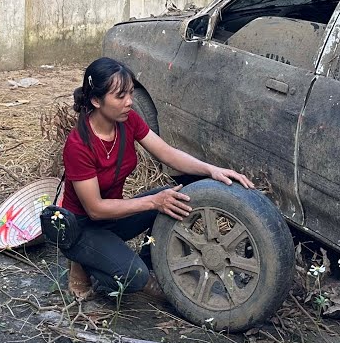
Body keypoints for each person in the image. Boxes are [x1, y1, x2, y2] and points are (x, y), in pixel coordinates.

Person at [58, 57, 254, 301]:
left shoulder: (127, 121)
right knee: (135, 278)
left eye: (130, 92)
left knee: (175, 198)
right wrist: (153, 202)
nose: (130, 102)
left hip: (114, 218)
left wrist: (211, 169)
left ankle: (143, 259)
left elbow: (167, 153)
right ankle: (83, 261)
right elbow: (95, 209)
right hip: (83, 227)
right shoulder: (79, 145)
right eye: (120, 96)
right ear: (96, 100)